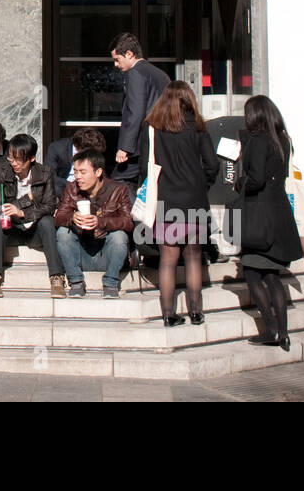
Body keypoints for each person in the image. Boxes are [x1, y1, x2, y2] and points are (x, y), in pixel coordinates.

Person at [147, 80, 219, 326]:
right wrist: (203, 184)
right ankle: (196, 311)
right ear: (189, 99)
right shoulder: (198, 128)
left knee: (167, 259)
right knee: (193, 257)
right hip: (194, 199)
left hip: (165, 199)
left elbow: (144, 166)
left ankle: (168, 314)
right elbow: (212, 165)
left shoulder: (153, 128)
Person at [237, 94, 304, 350]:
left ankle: (271, 328)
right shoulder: (283, 141)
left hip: (259, 216)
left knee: (253, 272)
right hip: (279, 214)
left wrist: (239, 182)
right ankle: (282, 332)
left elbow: (255, 181)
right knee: (273, 275)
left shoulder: (257, 141)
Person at [0, 132, 67, 299]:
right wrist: (25, 200)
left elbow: (50, 206)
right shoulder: (1, 171)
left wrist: (23, 212)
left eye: (18, 160)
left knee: (47, 221)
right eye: (11, 158)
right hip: (11, 228)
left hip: (35, 229)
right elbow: (0, 206)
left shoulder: (44, 173)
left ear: (31, 159)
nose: (14, 163)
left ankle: (56, 277)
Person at [53, 149, 133, 298]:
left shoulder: (118, 189)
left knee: (119, 236)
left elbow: (127, 222)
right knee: (63, 232)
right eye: (75, 172)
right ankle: (76, 282)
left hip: (107, 252)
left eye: (83, 172)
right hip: (81, 252)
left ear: (98, 172)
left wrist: (100, 221)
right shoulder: (72, 189)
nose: (78, 177)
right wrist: (72, 217)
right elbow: (59, 217)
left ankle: (110, 283)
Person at [109, 32, 170, 187]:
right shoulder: (161, 74)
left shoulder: (135, 73)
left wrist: (125, 147)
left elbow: (135, 112)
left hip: (140, 143)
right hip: (161, 140)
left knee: (118, 182)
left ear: (129, 54)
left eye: (117, 60)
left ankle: (133, 212)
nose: (116, 65)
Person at [44, 127, 108, 201]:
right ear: (80, 149)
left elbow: (101, 174)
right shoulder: (57, 148)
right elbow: (49, 175)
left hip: (87, 186)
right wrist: (73, 186)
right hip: (63, 186)